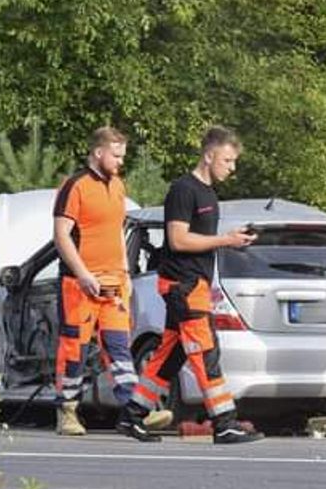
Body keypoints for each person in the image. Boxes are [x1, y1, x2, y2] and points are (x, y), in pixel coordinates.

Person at [129, 127, 264, 444]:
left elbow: (200, 239)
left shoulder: (209, 194)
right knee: (205, 353)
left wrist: (232, 238)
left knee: (169, 355)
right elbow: (177, 240)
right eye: (228, 160)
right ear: (209, 155)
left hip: (196, 285)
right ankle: (224, 422)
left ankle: (132, 414)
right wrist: (226, 240)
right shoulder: (183, 190)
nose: (232, 168)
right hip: (183, 286)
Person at [51, 127, 174, 438]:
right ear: (98, 153)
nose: (120, 161)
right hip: (78, 284)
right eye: (116, 155)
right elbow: (61, 235)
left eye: (123, 155)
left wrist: (125, 273)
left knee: (119, 348)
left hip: (114, 281)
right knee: (74, 349)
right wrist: (82, 274)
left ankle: (134, 412)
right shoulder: (75, 186)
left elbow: (119, 232)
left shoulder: (117, 185)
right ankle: (66, 412)